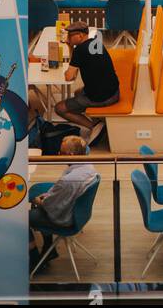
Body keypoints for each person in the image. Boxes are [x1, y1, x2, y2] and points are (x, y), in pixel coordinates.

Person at [28, 135, 97, 271]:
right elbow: (57, 197)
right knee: (37, 197)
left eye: (61, 152)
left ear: (71, 155)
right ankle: (48, 247)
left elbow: (50, 205)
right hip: (79, 213)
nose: (58, 154)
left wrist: (39, 200)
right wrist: (48, 196)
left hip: (66, 219)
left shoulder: (68, 181)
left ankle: (35, 259)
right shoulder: (88, 166)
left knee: (23, 218)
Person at [53, 24, 119, 142]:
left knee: (59, 108)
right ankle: (94, 118)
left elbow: (69, 77)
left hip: (102, 98)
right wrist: (71, 46)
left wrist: (72, 51)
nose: (68, 38)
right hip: (114, 92)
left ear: (79, 35)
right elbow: (78, 62)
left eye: (70, 35)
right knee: (78, 92)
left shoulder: (80, 50)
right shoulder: (96, 42)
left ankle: (94, 126)